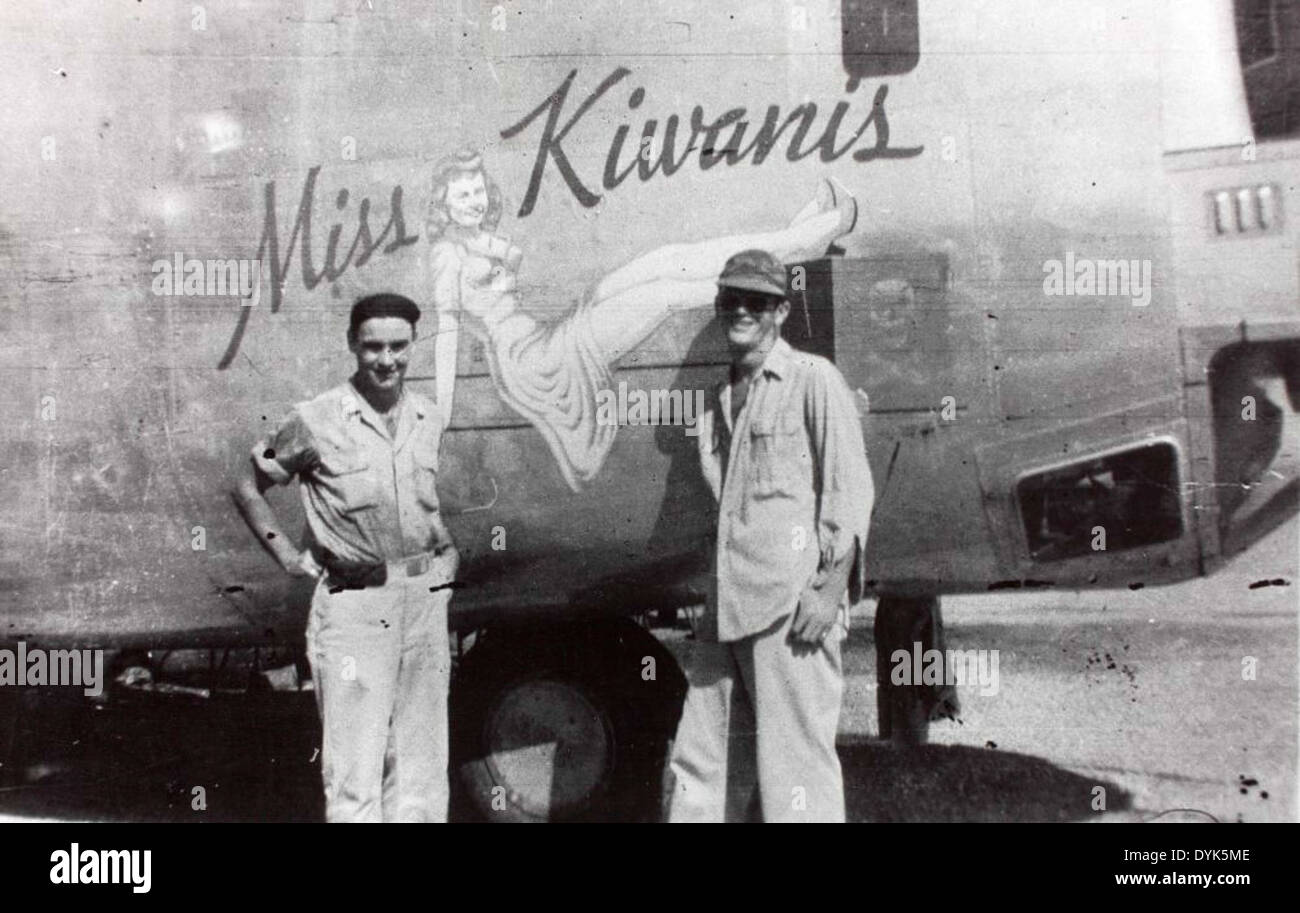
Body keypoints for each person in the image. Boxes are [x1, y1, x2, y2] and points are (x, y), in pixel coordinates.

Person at [424, 148, 858, 491]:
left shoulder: (476, 240)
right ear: (442, 201)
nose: (474, 202)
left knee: (667, 258)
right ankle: (801, 245)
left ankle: (792, 241)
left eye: (478, 191)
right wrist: (441, 420)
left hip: (549, 334)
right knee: (666, 295)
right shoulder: (445, 256)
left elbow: (504, 266)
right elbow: (445, 332)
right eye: (462, 195)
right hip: (537, 364)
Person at [665, 249, 874, 823]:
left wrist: (829, 592)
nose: (740, 310)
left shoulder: (813, 380)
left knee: (795, 774)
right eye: (730, 299)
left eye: (756, 301)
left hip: (790, 609)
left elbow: (849, 491)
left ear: (780, 310)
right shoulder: (715, 403)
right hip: (726, 606)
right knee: (700, 767)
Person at [232, 293, 459, 823]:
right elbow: (248, 486)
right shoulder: (315, 419)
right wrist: (288, 556)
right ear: (352, 345)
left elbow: (419, 503)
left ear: (413, 346)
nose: (387, 360)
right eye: (373, 346)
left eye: (398, 347)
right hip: (355, 607)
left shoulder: (427, 416)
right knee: (355, 771)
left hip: (423, 603)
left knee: (422, 771)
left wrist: (445, 553)